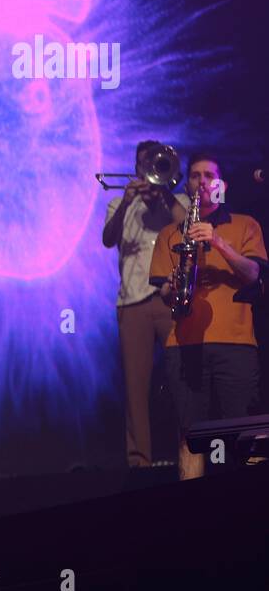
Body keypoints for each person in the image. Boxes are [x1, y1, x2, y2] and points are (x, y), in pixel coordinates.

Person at [150, 153, 266, 480]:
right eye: (196, 176)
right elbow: (162, 293)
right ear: (187, 185)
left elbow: (255, 273)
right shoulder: (169, 234)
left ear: (221, 186)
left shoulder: (246, 224)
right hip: (184, 344)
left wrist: (217, 241)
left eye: (210, 176)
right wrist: (172, 286)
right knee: (190, 436)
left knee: (246, 435)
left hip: (237, 343)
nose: (202, 182)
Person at [102, 141, 189, 467]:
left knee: (183, 383)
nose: (150, 170)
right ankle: (139, 461)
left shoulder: (178, 200)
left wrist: (164, 195)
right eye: (145, 164)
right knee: (136, 387)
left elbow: (187, 229)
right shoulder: (118, 203)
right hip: (133, 302)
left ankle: (187, 455)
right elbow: (108, 238)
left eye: (157, 164)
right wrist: (127, 202)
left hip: (171, 301)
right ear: (137, 168)